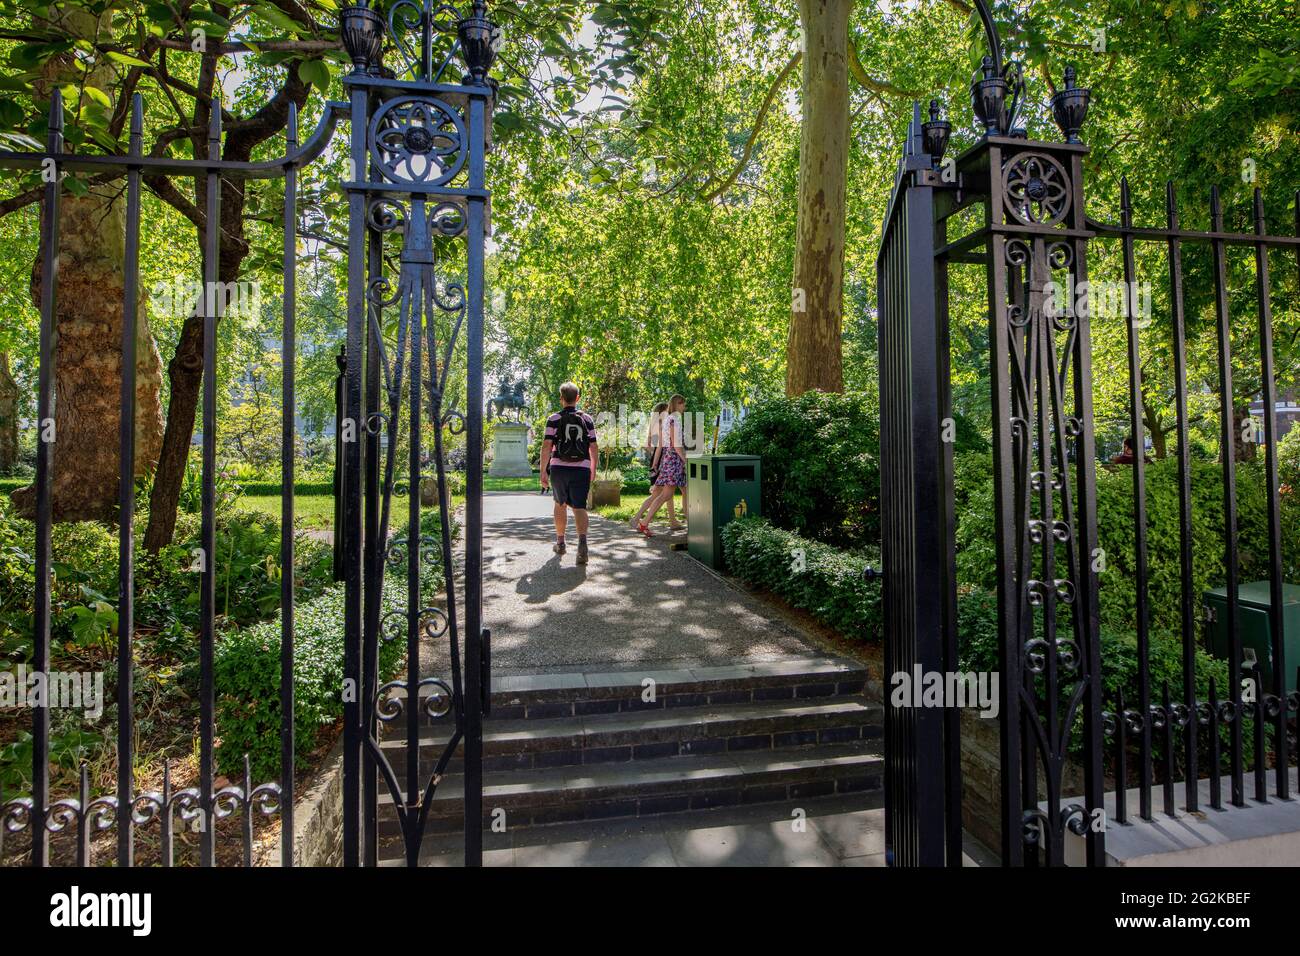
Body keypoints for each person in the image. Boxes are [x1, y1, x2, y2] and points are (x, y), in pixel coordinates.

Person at [539, 381, 598, 564]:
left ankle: (561, 543)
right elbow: (594, 446)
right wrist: (593, 468)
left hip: (559, 467)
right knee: (579, 507)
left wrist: (543, 471)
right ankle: (582, 546)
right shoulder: (587, 419)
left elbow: (547, 445)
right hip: (582, 468)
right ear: (577, 398)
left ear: (561, 399)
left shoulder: (554, 419)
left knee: (560, 504)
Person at [638, 394, 688, 536]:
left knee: (674, 493)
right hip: (674, 460)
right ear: (677, 404)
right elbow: (677, 446)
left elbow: (662, 444)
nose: (684, 407)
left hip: (670, 459)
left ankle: (644, 523)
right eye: (683, 404)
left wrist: (655, 464)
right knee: (667, 495)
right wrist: (686, 460)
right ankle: (644, 522)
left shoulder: (668, 420)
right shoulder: (673, 421)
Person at [629, 401, 680, 531]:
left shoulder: (654, 425)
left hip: (658, 459)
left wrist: (654, 456)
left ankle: (671, 520)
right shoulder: (664, 424)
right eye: (667, 410)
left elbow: (647, 446)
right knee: (661, 494)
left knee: (665, 494)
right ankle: (638, 518)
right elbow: (656, 445)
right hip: (663, 460)